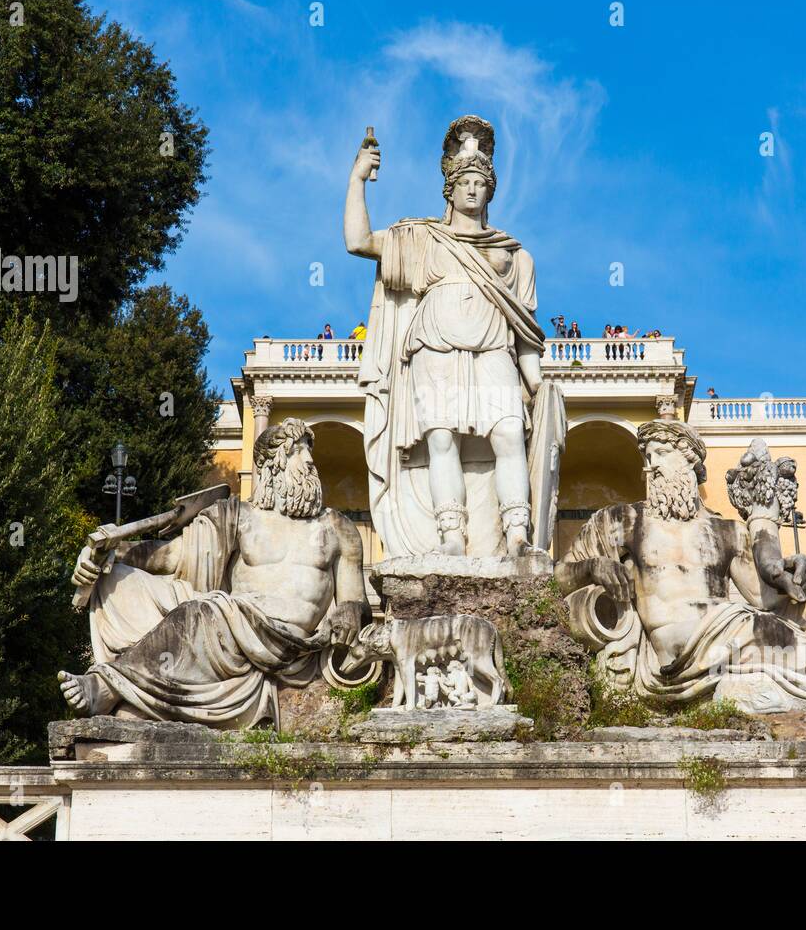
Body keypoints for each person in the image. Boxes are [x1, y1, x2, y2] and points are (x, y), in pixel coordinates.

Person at [554, 421, 806, 712]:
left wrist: (794, 568)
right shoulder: (622, 520)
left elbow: (764, 596)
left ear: (688, 462)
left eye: (660, 454)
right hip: (678, 649)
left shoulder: (726, 530)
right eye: (646, 456)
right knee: (785, 643)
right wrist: (592, 569)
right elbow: (558, 577)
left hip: (730, 629)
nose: (650, 465)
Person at [58, 419, 366, 729]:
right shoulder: (239, 518)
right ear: (273, 465)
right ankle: (133, 695)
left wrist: (351, 610)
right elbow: (172, 557)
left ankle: (107, 688)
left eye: (308, 450)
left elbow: (356, 600)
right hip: (236, 625)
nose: (310, 461)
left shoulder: (337, 527)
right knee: (122, 581)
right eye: (298, 451)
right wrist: (112, 554)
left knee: (201, 613)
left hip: (293, 642)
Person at [344, 115, 550, 557]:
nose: (473, 189)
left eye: (481, 182)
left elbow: (526, 332)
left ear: (490, 190)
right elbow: (358, 241)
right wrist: (358, 179)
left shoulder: (514, 255)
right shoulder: (422, 239)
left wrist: (538, 383)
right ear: (450, 189)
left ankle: (517, 534)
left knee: (510, 434)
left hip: (494, 346)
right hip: (433, 347)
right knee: (441, 440)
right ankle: (451, 536)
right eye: (465, 182)